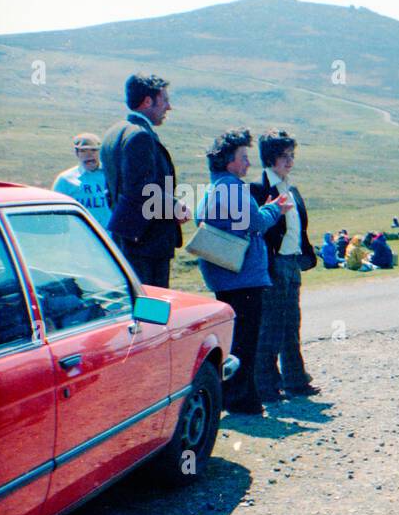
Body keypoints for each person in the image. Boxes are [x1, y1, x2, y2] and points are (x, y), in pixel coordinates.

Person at [196, 128, 293, 415]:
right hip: (243, 277)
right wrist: (275, 210)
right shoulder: (233, 188)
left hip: (225, 275)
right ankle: (242, 399)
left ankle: (234, 395)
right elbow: (255, 224)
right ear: (229, 162)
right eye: (243, 157)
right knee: (246, 340)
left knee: (234, 338)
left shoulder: (215, 188)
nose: (248, 164)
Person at [250, 129, 320, 403]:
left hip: (291, 261)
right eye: (283, 156)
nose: (289, 161)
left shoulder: (291, 189)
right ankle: (265, 385)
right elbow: (258, 228)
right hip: (272, 263)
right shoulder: (257, 189)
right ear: (270, 158)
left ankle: (295, 380)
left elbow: (298, 227)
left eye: (291, 156)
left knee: (292, 323)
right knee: (272, 325)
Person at [101, 74, 190, 287]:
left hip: (129, 238)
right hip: (148, 243)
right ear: (148, 101)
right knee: (152, 310)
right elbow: (142, 190)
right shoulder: (140, 136)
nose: (169, 107)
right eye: (165, 100)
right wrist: (175, 207)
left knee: (136, 302)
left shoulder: (114, 132)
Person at [52, 133, 112, 228]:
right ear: (76, 153)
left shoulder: (111, 175)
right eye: (83, 151)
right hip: (81, 236)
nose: (89, 155)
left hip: (108, 238)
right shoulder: (65, 180)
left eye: (93, 150)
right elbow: (55, 212)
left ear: (100, 152)